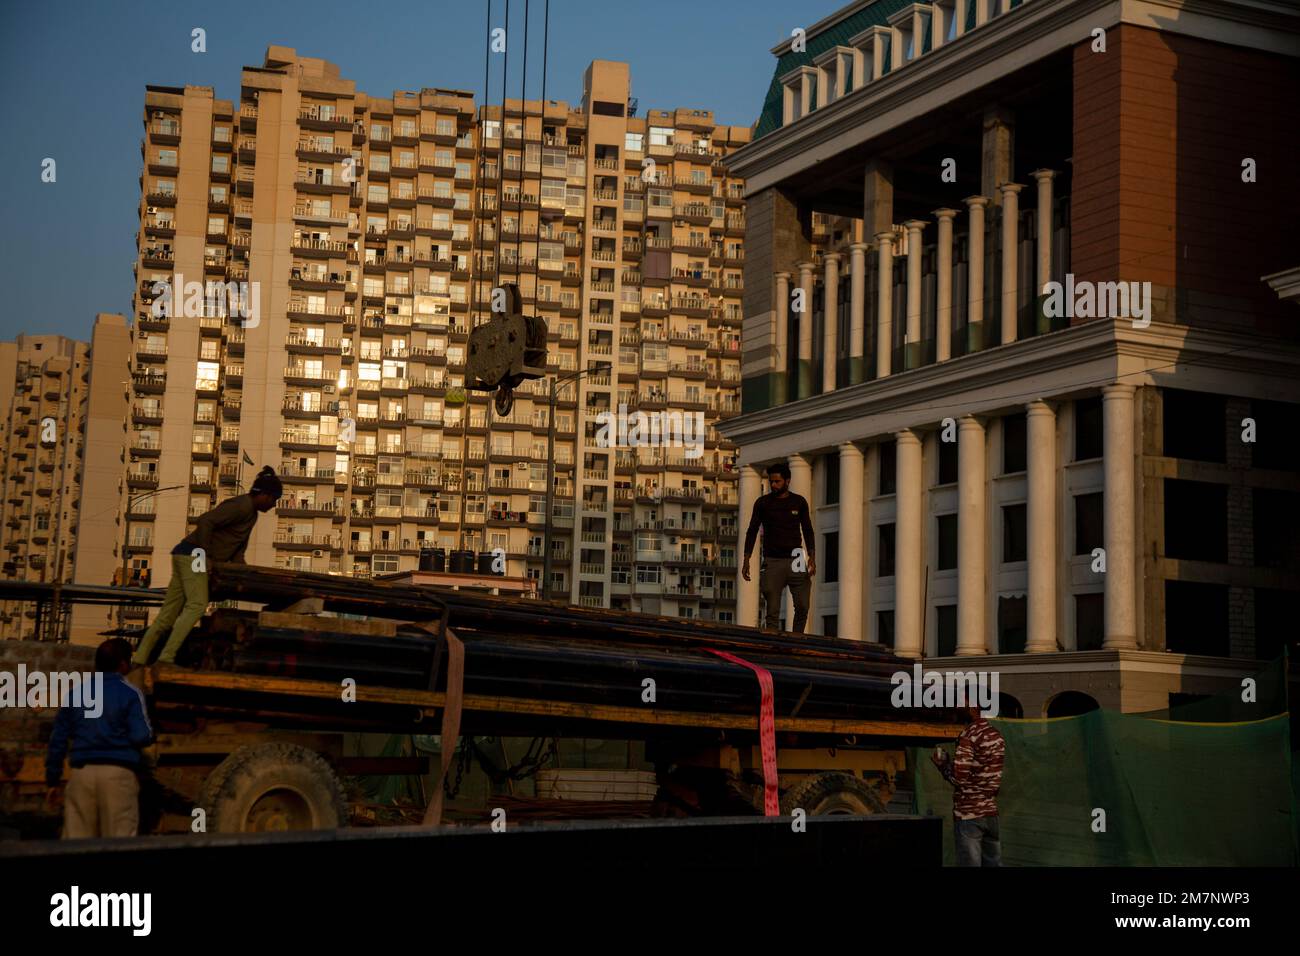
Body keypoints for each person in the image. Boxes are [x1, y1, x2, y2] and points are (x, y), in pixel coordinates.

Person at [132, 466, 282, 666]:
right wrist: (206, 557)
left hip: (185, 554)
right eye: (274, 499)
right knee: (197, 606)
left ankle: (139, 658)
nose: (274, 505)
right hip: (194, 555)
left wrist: (246, 575)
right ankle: (166, 658)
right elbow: (206, 521)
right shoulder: (241, 506)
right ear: (264, 495)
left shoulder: (251, 514)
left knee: (168, 615)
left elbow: (238, 551)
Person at [45, 638, 153, 838]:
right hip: (118, 776)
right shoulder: (130, 694)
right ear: (123, 664)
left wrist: (53, 779)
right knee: (119, 842)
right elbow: (141, 736)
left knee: (76, 844)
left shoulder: (76, 693)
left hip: (81, 775)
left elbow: (58, 739)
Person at [741, 462, 815, 633]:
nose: (773, 485)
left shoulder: (799, 502)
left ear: (787, 481)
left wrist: (812, 556)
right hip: (773, 560)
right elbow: (752, 531)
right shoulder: (762, 503)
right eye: (771, 482)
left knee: (803, 605)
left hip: (796, 557)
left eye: (777, 482)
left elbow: (808, 529)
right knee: (772, 610)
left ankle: (797, 638)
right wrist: (746, 559)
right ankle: (772, 642)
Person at [931, 705, 1006, 866]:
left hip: (969, 815)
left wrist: (943, 766)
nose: (956, 706)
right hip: (991, 814)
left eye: (961, 701)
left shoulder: (969, 735)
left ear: (973, 706)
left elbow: (959, 778)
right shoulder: (996, 735)